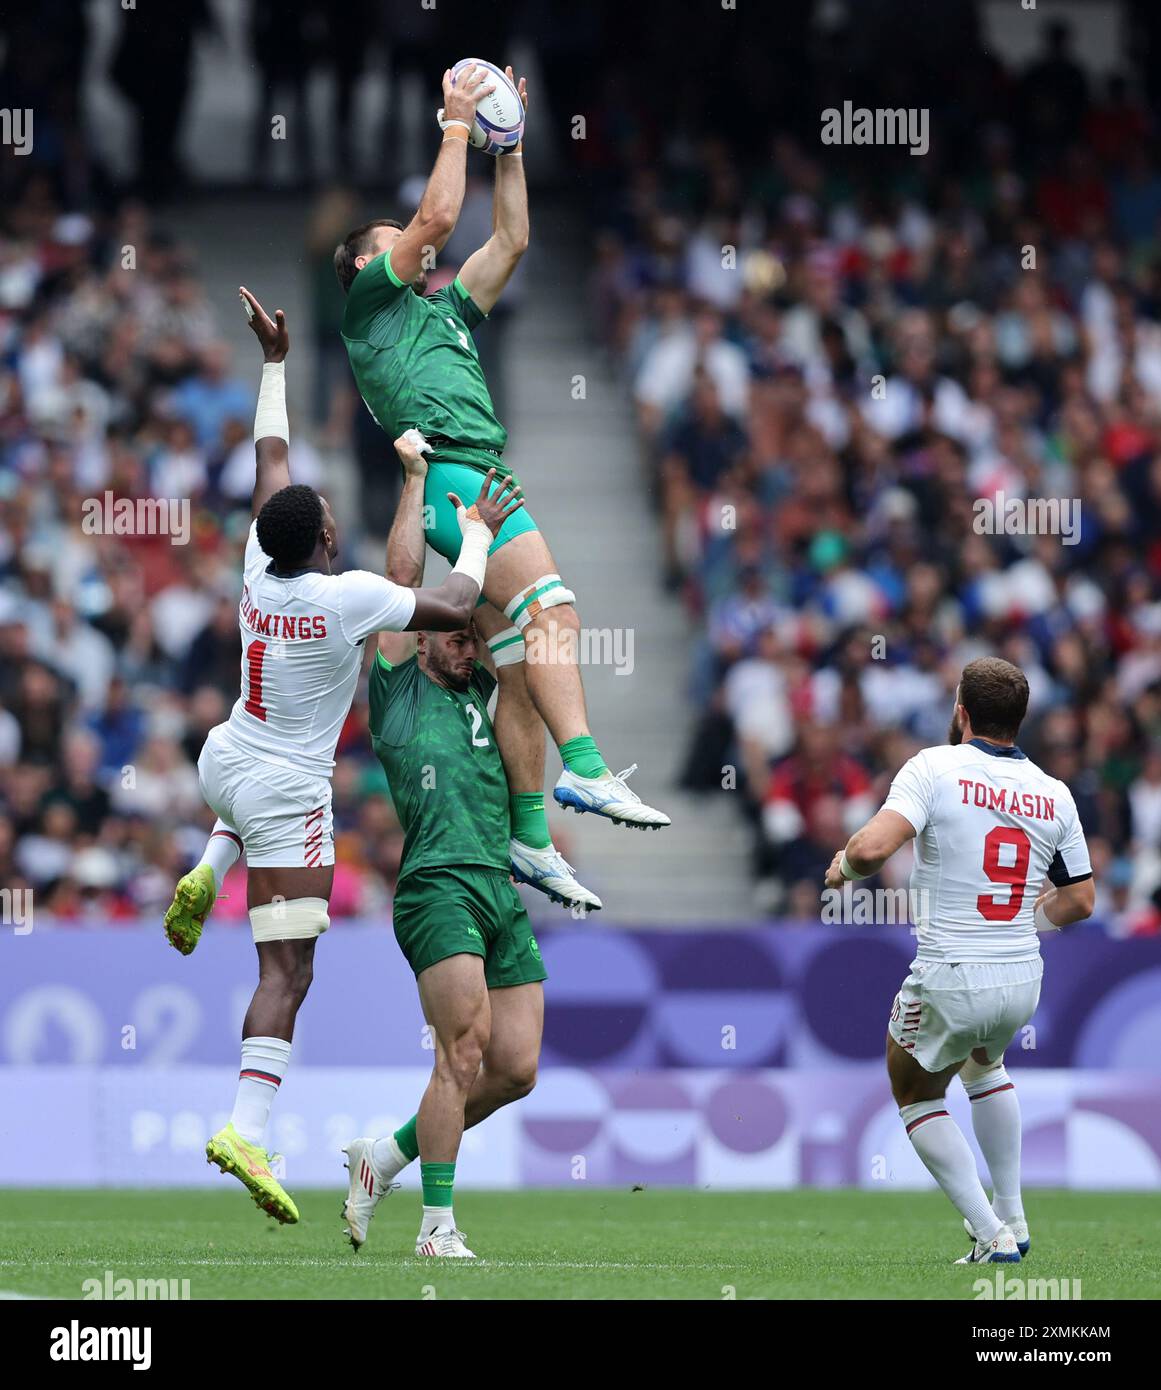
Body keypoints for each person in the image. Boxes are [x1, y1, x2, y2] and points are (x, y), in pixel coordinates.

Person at [161, 288, 523, 1225]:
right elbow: (448, 606)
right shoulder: (344, 595)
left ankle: (208, 863)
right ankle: (245, 1127)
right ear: (324, 537)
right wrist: (478, 533)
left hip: (225, 761)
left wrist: (274, 363)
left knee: (251, 832)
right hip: (280, 790)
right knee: (287, 974)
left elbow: (269, 459)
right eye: (325, 513)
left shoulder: (256, 562)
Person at [335, 63, 670, 915]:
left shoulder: (441, 312)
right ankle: (587, 772)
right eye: (393, 239)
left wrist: (510, 147)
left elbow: (509, 242)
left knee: (517, 660)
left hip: (476, 469)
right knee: (554, 611)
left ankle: (527, 834)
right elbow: (441, 216)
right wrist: (457, 122)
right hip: (453, 473)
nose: (413, 242)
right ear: (366, 268)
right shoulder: (372, 308)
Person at [341, 432, 549, 1259]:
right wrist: (417, 480)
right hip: (436, 887)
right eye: (453, 633)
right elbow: (398, 583)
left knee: (514, 1069)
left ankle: (381, 1157)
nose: (465, 643)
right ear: (423, 635)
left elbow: (526, 636)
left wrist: (495, 542)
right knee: (459, 1054)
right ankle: (436, 1230)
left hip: (498, 887)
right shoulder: (396, 686)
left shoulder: (489, 694)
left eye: (470, 636)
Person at [825, 657, 1095, 1264]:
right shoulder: (1055, 793)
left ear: (961, 711)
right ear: (1019, 722)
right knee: (983, 1065)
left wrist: (844, 865)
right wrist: (1025, 923)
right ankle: (1016, 1215)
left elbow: (871, 849)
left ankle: (989, 1231)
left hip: (953, 972)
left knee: (913, 1090)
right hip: (1022, 976)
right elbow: (1080, 899)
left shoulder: (934, 767)